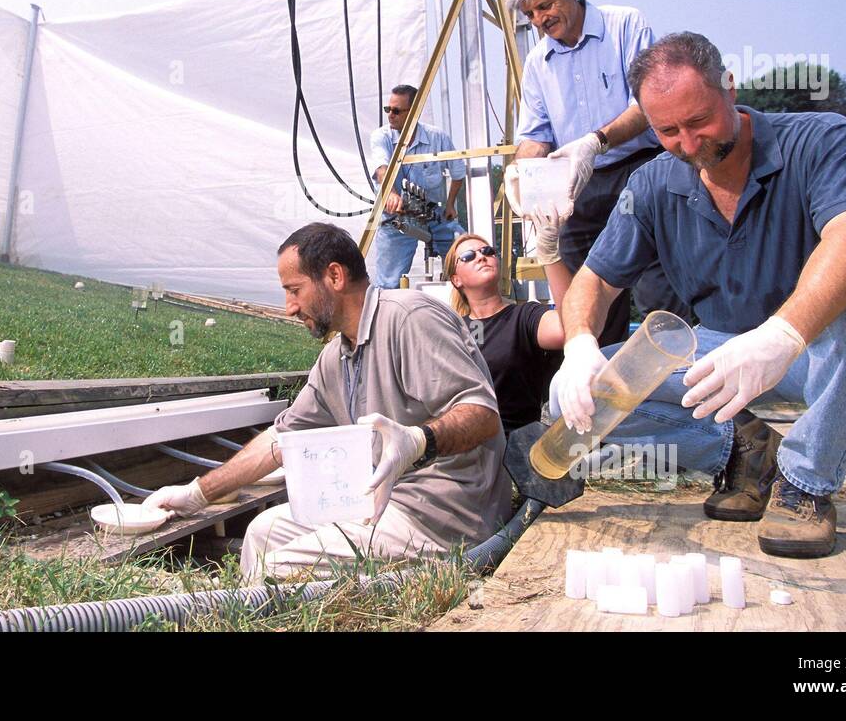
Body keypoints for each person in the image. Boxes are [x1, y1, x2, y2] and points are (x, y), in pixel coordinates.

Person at [549, 32, 846, 558]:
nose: (689, 144)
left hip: (814, 348)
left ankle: (805, 483)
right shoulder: (652, 183)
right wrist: (579, 345)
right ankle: (744, 453)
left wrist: (782, 334)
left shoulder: (818, 140)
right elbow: (596, 280)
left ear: (729, 87)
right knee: (576, 405)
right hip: (717, 352)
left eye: (699, 122)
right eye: (667, 130)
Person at [144, 222, 510, 582]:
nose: (289, 307)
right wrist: (197, 493)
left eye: (294, 290)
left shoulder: (410, 317)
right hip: (378, 503)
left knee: (277, 570)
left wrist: (419, 441)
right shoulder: (336, 356)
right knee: (260, 534)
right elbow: (280, 440)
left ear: (334, 276)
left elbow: (482, 415)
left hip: (441, 515)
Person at [504, 0, 688, 345]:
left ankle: (683, 390)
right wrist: (519, 173)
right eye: (530, 14)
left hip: (641, 169)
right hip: (577, 188)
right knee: (584, 303)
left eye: (545, 5)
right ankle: (601, 395)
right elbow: (535, 136)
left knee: (661, 292)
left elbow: (649, 105)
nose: (539, 19)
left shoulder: (625, 25)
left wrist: (596, 141)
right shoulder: (538, 63)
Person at [445, 230, 572, 435]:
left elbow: (571, 328)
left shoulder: (524, 317)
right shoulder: (451, 330)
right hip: (464, 448)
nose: (481, 256)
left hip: (515, 449)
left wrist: (550, 255)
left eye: (487, 251)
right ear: (456, 279)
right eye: (469, 256)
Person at [369, 84, 466, 287]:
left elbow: (458, 173)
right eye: (388, 110)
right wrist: (391, 195)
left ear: (413, 112)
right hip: (397, 218)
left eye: (396, 111)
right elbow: (381, 169)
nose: (390, 115)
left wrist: (450, 205)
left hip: (434, 215)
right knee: (389, 284)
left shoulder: (437, 137)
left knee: (466, 257)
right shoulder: (382, 137)